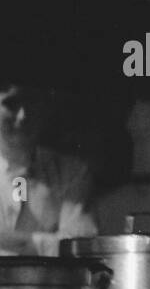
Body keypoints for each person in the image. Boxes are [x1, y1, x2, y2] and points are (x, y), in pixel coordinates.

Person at [0, 81, 97, 256]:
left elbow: (81, 244)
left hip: (47, 282)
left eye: (31, 102)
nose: (23, 115)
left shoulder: (72, 171)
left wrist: (16, 242)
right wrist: (47, 244)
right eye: (11, 104)